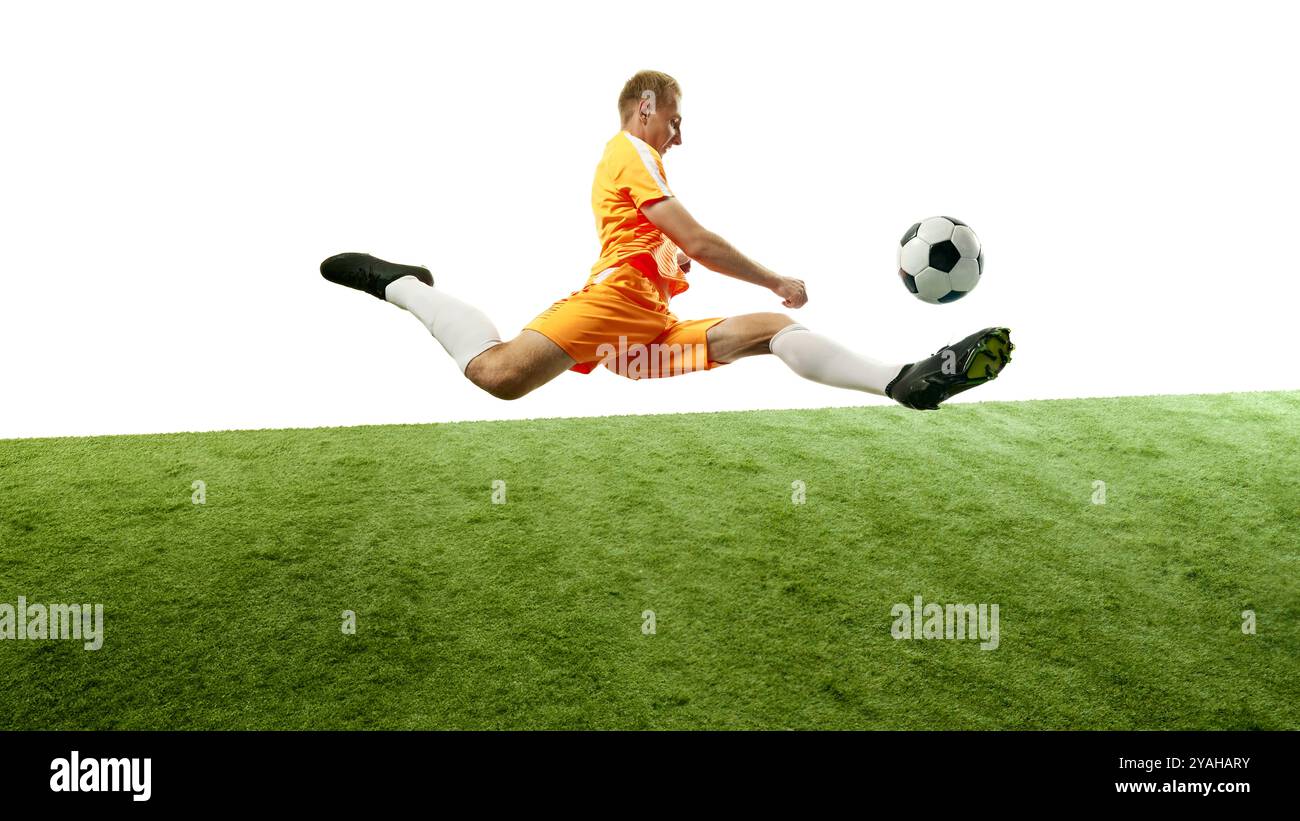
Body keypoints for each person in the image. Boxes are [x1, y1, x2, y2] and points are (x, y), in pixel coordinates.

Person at [321, 69, 1012, 410]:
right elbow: (701, 241)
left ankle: (904, 381)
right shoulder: (631, 150)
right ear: (645, 110)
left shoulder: (640, 165)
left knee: (770, 333)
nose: (679, 134)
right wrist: (773, 274)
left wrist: (670, 256)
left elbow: (670, 243)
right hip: (617, 304)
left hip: (645, 325)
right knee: (498, 374)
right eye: (673, 119)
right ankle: (403, 282)